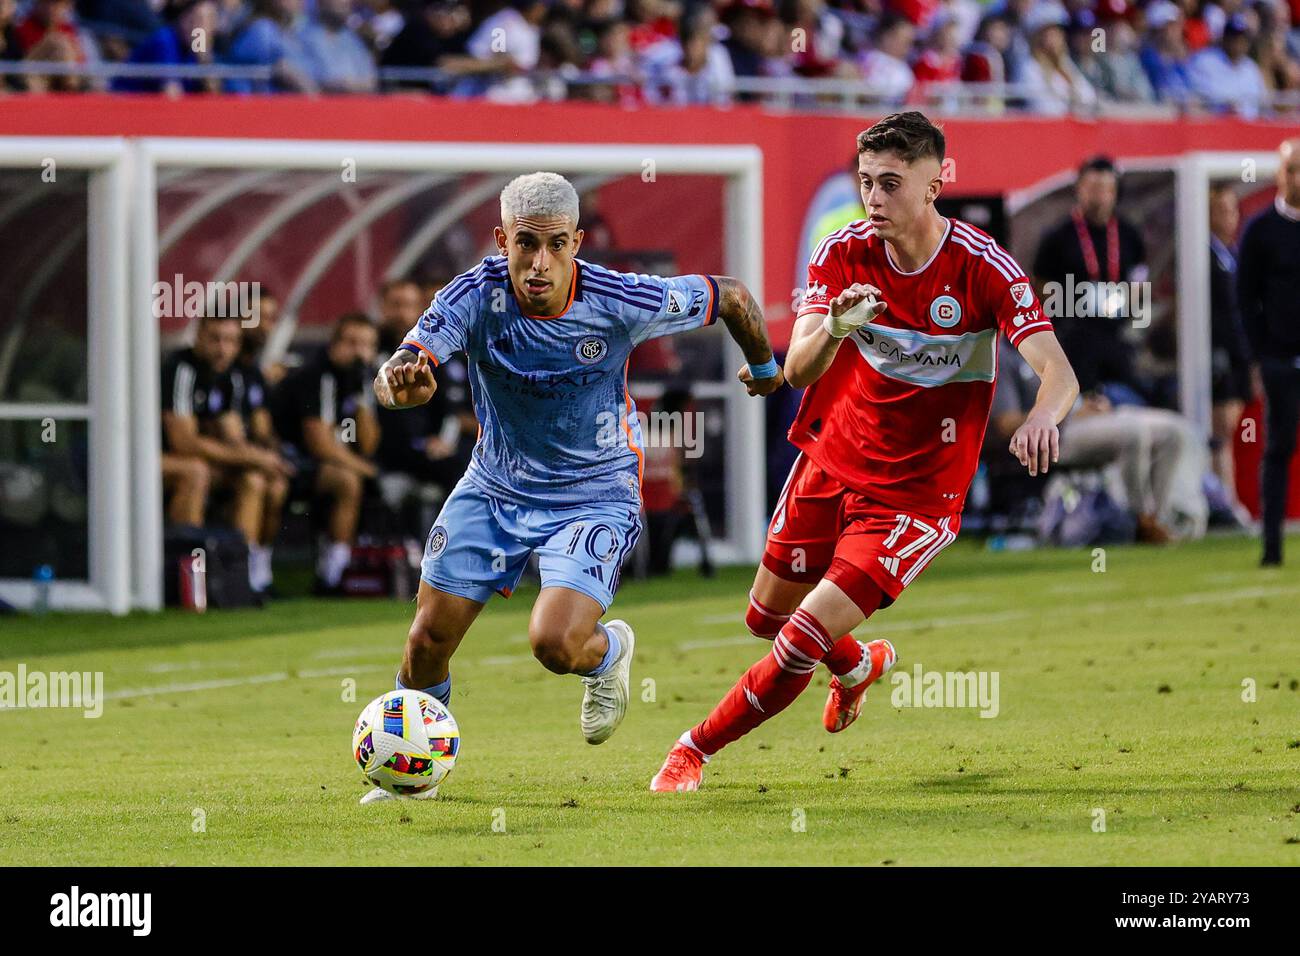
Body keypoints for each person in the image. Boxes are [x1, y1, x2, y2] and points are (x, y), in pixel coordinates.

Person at [649, 112, 1079, 792]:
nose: (873, 199)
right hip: (833, 458)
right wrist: (837, 328)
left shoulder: (983, 267)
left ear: (936, 181)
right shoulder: (843, 252)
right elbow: (797, 372)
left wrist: (1042, 419)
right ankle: (856, 667)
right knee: (765, 617)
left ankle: (690, 751)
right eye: (865, 183)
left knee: (798, 639)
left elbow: (1059, 372)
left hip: (914, 498)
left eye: (890, 183)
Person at [367, 171, 782, 803]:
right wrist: (399, 384)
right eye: (525, 244)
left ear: (577, 242)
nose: (539, 263)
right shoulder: (475, 295)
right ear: (501, 240)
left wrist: (765, 369)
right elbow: (405, 362)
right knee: (426, 641)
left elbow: (731, 296)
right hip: (495, 485)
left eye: (556, 244)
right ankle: (408, 779)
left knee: (554, 645)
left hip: (595, 491)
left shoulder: (620, 298)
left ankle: (607, 652)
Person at [161, 314, 293, 594]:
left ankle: (241, 578)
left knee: (258, 481)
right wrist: (255, 457)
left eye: (231, 341)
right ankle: (184, 577)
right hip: (149, 458)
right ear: (197, 338)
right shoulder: (181, 370)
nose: (223, 348)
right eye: (215, 339)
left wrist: (262, 459)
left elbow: (233, 437)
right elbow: (183, 442)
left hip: (204, 461)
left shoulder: (230, 376)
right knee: (195, 471)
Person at [271, 312, 380, 591]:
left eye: (366, 345)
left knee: (351, 478)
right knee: (347, 480)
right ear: (335, 344)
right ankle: (332, 575)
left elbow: (368, 444)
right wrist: (365, 469)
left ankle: (338, 570)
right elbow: (319, 444)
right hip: (289, 459)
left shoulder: (361, 381)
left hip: (319, 464)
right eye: (352, 343)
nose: (359, 352)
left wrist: (361, 399)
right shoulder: (316, 376)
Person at [1237, 137, 1300, 566]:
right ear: (1279, 174)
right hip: (1280, 359)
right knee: (1279, 446)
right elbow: (1245, 299)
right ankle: (1272, 548)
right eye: (1292, 168)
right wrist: (1261, 355)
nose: (1298, 177)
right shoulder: (1260, 231)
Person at [1207, 183, 1253, 521]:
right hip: (1218, 356)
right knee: (1218, 432)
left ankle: (1226, 498)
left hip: (1239, 354)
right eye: (1221, 210)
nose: (1229, 217)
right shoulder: (1204, 256)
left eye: (1232, 210)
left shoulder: (1233, 254)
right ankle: (1222, 500)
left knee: (1229, 431)